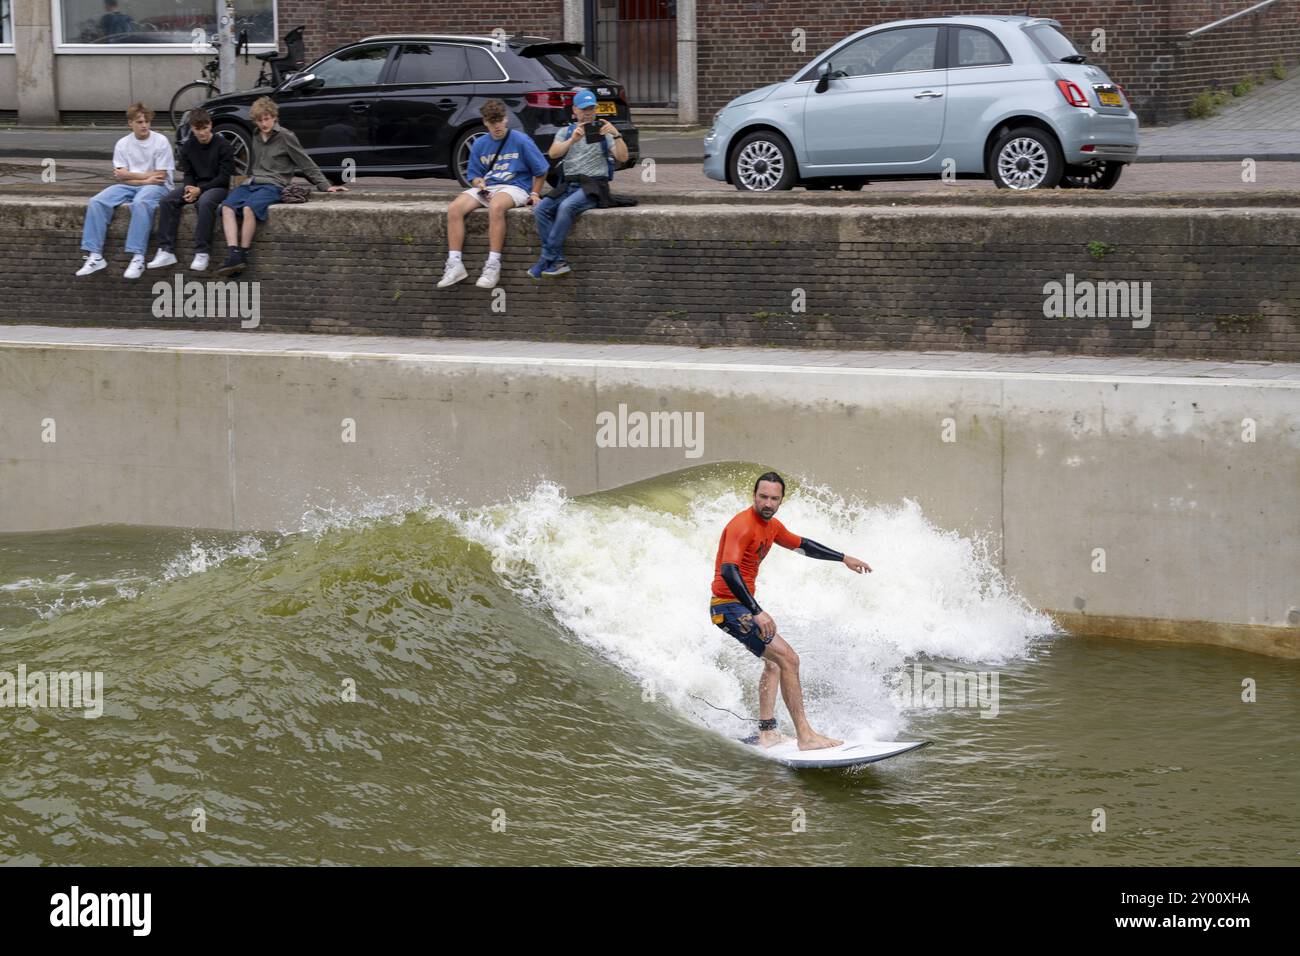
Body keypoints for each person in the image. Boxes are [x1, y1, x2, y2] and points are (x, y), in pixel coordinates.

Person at [710, 471, 873, 751]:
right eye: (763, 497)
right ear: (754, 496)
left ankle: (767, 733)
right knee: (790, 660)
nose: (768, 503)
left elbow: (803, 546)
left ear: (781, 500)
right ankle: (806, 736)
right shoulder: (742, 525)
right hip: (728, 606)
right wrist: (756, 611)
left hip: (739, 606)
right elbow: (728, 570)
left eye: (774, 498)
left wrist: (843, 558)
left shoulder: (772, 527)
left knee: (774, 664)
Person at [217, 96, 347, 277]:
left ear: (274, 117)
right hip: (253, 182)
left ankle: (244, 253)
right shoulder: (255, 135)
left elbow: (304, 161)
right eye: (260, 120)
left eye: (267, 119)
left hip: (274, 184)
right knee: (227, 207)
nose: (264, 124)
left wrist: (325, 185)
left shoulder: (286, 136)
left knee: (249, 208)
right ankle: (234, 254)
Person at [436, 99, 549, 290]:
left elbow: (541, 169)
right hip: (489, 187)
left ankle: (493, 264)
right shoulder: (480, 143)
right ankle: (455, 264)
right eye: (492, 122)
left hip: (515, 187)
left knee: (496, 206)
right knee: (454, 208)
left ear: (506, 119)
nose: (497, 126)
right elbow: (474, 174)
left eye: (499, 121)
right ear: (485, 122)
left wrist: (535, 193)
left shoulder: (520, 140)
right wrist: (479, 183)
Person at [529, 88, 631, 279]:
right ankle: (558, 261)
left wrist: (617, 135)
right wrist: (572, 140)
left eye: (591, 109)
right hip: (569, 185)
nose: (588, 113)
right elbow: (553, 153)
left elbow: (623, 157)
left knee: (566, 207)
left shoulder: (602, 131)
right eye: (584, 109)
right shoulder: (565, 132)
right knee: (541, 209)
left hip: (594, 186)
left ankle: (545, 259)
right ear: (574, 110)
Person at [76, 102, 174, 279]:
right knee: (97, 201)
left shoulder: (160, 141)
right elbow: (120, 177)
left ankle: (138, 258)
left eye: (146, 121)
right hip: (134, 185)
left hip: (157, 187)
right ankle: (95, 256)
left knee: (141, 203)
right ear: (130, 123)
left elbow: (160, 176)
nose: (144, 125)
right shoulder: (122, 144)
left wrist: (130, 175)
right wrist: (144, 178)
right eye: (139, 122)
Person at [147, 109, 235, 273]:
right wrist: (188, 187)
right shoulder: (188, 146)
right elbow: (188, 173)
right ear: (192, 129)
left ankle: (202, 252)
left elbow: (224, 177)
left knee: (205, 202)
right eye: (197, 129)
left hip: (217, 187)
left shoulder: (223, 145)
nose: (202, 133)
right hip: (195, 186)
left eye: (205, 128)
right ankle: (166, 250)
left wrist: (199, 190)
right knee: (167, 201)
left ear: (211, 125)